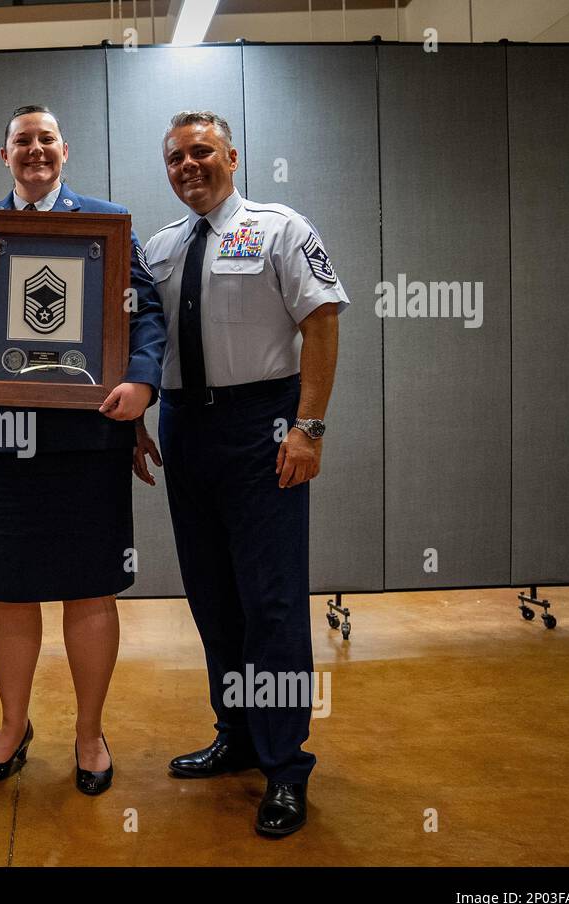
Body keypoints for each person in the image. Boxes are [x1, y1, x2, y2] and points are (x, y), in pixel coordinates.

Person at [0, 105, 166, 795]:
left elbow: (144, 313)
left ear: (65, 150)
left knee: (90, 586)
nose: (35, 151)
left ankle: (89, 733)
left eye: (46, 140)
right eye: (22, 141)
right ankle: (12, 724)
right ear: (4, 155)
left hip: (86, 434)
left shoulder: (108, 225)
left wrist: (143, 383)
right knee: (10, 587)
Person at [135, 110, 348, 837]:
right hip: (186, 430)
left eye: (202, 152)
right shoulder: (158, 247)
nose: (189, 165)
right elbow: (137, 338)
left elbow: (322, 320)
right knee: (214, 599)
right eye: (175, 157)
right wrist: (136, 418)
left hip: (264, 428)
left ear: (231, 154)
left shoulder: (281, 227)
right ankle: (237, 734)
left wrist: (308, 427)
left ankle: (285, 765)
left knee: (275, 604)